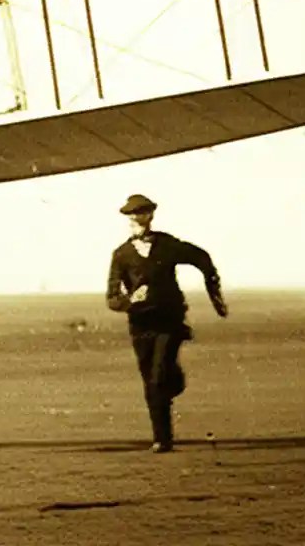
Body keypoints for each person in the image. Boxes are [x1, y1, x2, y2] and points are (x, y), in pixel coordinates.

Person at [106, 193, 228, 453]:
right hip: (141, 325)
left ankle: (165, 427)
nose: (138, 217)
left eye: (143, 212)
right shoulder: (121, 254)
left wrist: (214, 293)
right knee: (151, 382)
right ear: (128, 218)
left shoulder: (167, 244)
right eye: (133, 213)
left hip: (169, 321)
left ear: (151, 215)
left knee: (159, 375)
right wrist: (130, 301)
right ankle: (162, 437)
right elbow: (112, 298)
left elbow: (201, 258)